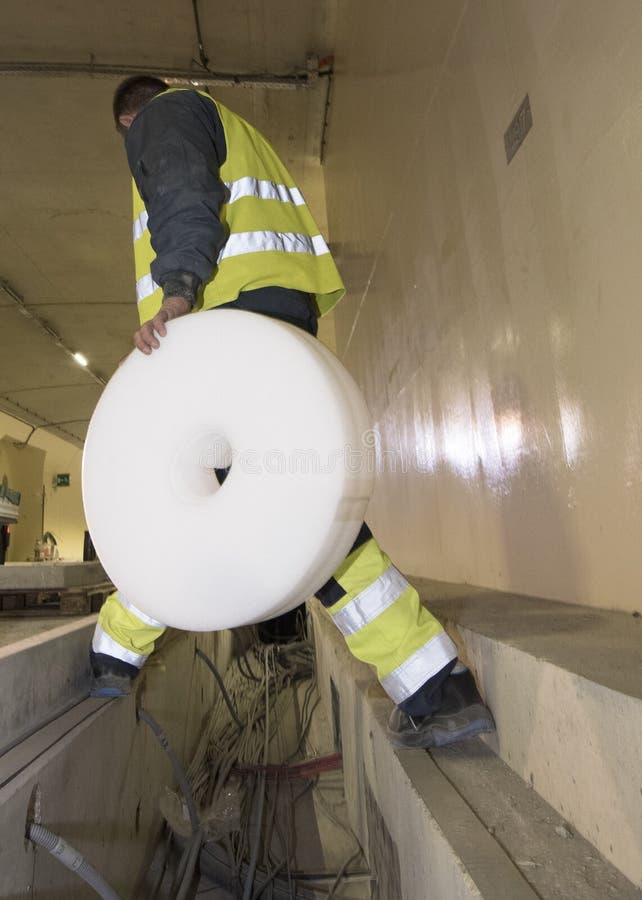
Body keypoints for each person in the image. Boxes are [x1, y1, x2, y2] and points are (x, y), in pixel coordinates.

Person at [90, 75, 495, 749]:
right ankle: (433, 684)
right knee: (285, 514)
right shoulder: (232, 128)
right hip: (268, 319)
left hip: (223, 317)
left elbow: (185, 189)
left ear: (131, 120)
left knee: (175, 502)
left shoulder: (165, 116)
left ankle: (115, 651)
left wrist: (178, 293)